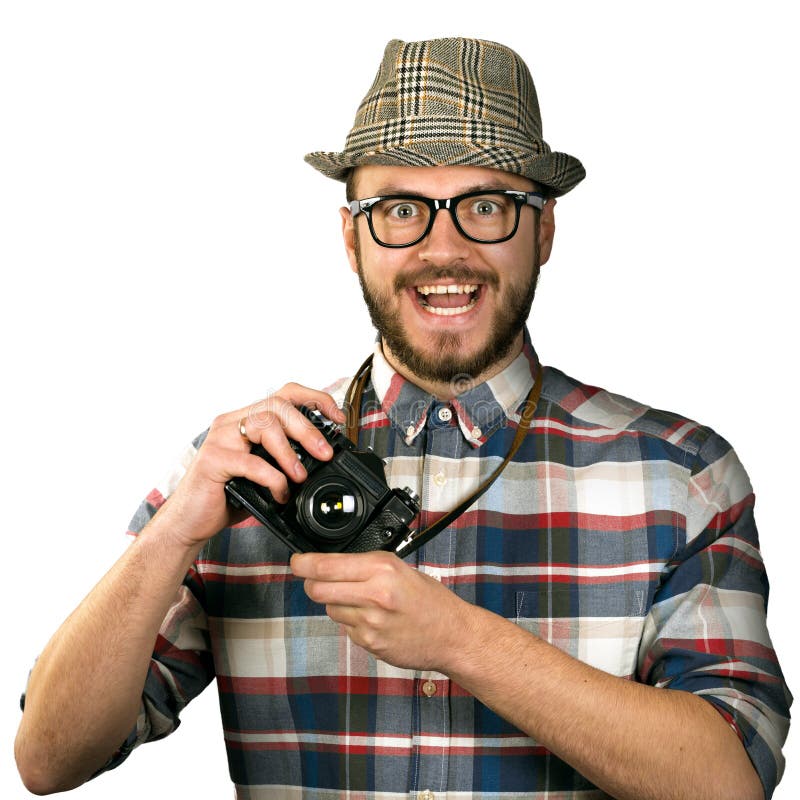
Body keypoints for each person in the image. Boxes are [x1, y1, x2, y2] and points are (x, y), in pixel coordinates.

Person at [15, 36, 790, 800]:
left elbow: (730, 781)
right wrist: (173, 533)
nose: (442, 247)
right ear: (352, 237)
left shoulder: (680, 474)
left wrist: (461, 641)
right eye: (399, 209)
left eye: (487, 206)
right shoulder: (250, 469)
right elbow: (49, 760)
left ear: (544, 231)